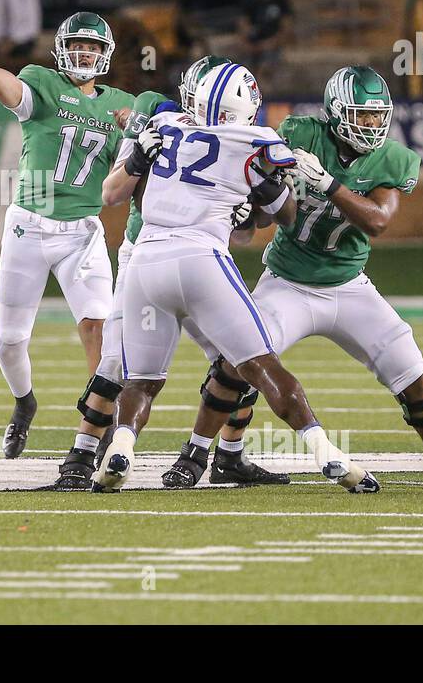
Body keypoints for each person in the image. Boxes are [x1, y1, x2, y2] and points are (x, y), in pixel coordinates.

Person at [164, 66, 423, 489]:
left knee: (416, 378)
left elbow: (377, 222)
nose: (372, 125)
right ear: (337, 112)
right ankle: (197, 455)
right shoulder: (301, 133)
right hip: (287, 281)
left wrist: (329, 183)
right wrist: (248, 207)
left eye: (378, 116)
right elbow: (266, 195)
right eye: (363, 115)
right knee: (234, 363)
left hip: (349, 285)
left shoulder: (392, 159)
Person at [94, 58, 379, 494]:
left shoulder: (166, 124)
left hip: (145, 261)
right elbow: (285, 215)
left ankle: (123, 448)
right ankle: (327, 452)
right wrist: (268, 190)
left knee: (142, 380)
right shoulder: (258, 138)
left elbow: (116, 190)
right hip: (200, 259)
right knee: (259, 363)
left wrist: (135, 137)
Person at [54, 57, 289, 489]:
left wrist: (244, 216)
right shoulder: (157, 115)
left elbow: (242, 237)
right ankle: (82, 454)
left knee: (238, 360)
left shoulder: (240, 140)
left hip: (202, 258)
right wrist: (141, 154)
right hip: (145, 251)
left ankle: (225, 455)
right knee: (116, 361)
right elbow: (113, 191)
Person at [0, 0, 134, 461]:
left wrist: (137, 134)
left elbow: (131, 175)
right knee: (10, 343)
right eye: (77, 46)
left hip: (83, 233)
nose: (85, 54)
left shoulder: (120, 107)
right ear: (61, 51)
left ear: (105, 53)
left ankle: (100, 423)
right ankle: (24, 404)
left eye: (93, 47)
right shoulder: (42, 85)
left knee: (99, 327)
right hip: (29, 227)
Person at [237, 0, 293, 83]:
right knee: (244, 68)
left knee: (266, 65)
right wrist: (246, 41)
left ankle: (263, 97)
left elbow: (286, 27)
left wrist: (272, 42)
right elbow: (243, 24)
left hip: (272, 44)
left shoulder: (281, 0)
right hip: (253, 43)